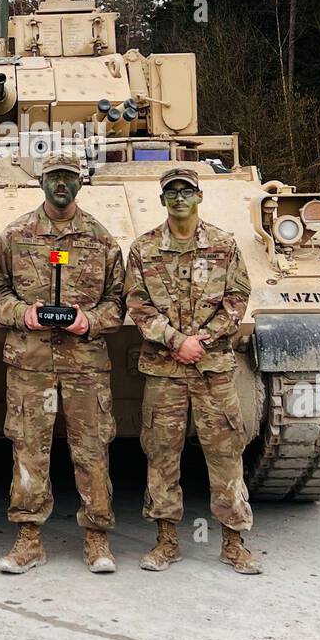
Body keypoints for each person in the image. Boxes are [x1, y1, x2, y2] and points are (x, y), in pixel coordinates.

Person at [0, 153, 124, 574]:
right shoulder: (15, 236)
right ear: (41, 183)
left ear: (79, 183)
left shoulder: (101, 240)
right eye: (53, 178)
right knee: (29, 450)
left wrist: (91, 320)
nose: (60, 184)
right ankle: (29, 539)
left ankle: (97, 538)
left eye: (67, 177)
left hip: (85, 364)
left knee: (92, 450)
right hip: (32, 362)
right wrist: (21, 313)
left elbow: (119, 303)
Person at [124, 166, 261, 574]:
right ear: (162, 198)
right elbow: (137, 303)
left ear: (199, 196)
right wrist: (174, 339)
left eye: (186, 191)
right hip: (165, 370)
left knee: (225, 453)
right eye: (172, 192)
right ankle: (166, 540)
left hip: (212, 367)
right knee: (162, 453)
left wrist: (201, 339)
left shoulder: (223, 244)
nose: (179, 197)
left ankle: (234, 542)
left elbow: (237, 297)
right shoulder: (144, 249)